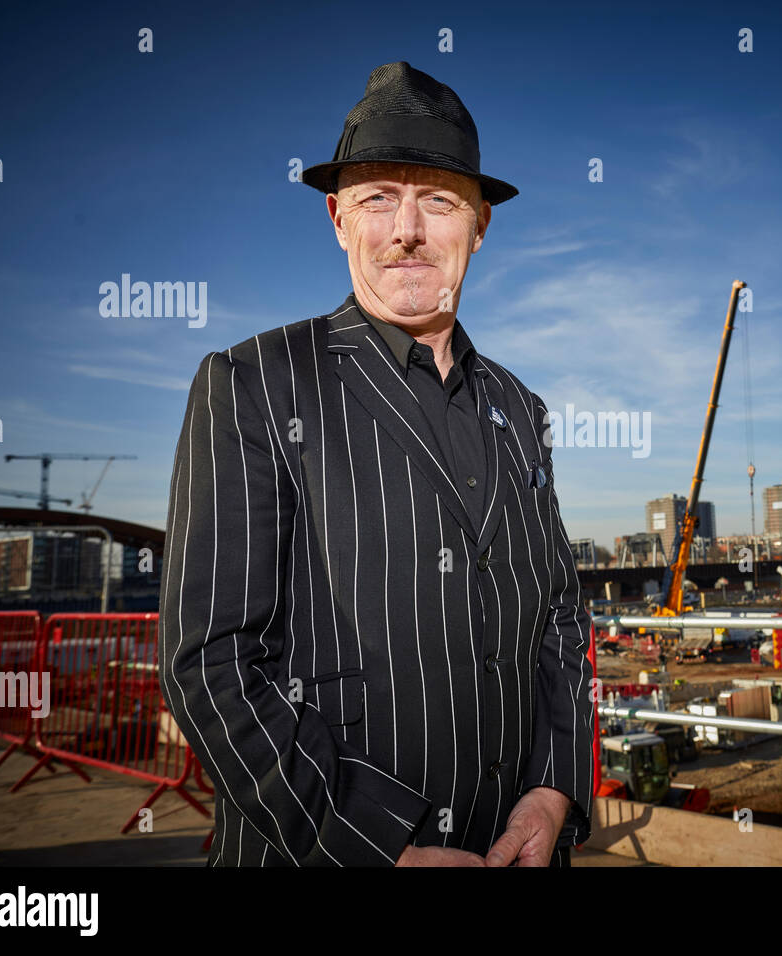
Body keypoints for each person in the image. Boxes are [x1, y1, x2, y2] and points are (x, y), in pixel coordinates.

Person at [159, 61, 593, 867]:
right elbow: (209, 657)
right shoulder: (253, 383)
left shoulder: (520, 408)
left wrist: (555, 788)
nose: (406, 230)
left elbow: (559, 618)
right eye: (376, 199)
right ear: (336, 218)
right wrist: (371, 844)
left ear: (480, 223)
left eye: (438, 200)